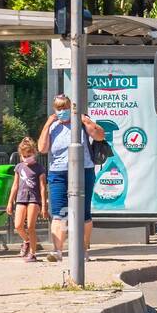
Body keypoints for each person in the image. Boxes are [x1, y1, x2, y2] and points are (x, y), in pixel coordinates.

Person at [38, 94, 106, 260]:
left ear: (71, 108)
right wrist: (47, 125)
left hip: (83, 170)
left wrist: (86, 121)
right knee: (59, 212)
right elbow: (42, 148)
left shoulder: (81, 123)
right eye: (59, 108)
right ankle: (58, 251)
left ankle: (83, 250)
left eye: (65, 108)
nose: (62, 111)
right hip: (58, 173)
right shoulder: (53, 127)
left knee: (83, 212)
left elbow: (100, 136)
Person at [7, 136, 48, 262]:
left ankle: (33, 253)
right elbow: (15, 185)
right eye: (24, 156)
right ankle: (27, 241)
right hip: (21, 198)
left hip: (34, 199)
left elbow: (42, 187)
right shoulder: (19, 167)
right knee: (18, 225)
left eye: (29, 155)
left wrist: (44, 205)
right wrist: (9, 202)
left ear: (34, 153)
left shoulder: (39, 168)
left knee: (30, 226)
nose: (26, 158)